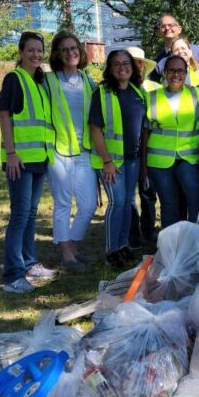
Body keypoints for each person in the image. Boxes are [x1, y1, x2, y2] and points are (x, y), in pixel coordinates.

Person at [0, 31, 57, 293]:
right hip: (19, 160)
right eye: (30, 50)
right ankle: (12, 276)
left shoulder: (38, 82)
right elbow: (4, 115)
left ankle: (29, 264)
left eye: (39, 50)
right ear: (20, 53)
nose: (36, 54)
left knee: (30, 213)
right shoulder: (15, 79)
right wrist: (11, 154)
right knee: (20, 215)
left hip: (38, 158)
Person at [87, 49, 148, 269]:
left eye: (126, 63)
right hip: (111, 161)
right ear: (110, 68)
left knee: (128, 202)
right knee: (117, 202)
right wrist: (107, 161)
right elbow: (95, 129)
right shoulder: (101, 93)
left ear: (132, 67)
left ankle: (123, 245)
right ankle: (111, 250)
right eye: (116, 64)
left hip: (132, 159)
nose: (122, 67)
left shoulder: (138, 92)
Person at [43, 31, 96, 271]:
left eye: (73, 48)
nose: (70, 53)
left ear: (80, 51)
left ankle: (73, 249)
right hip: (58, 151)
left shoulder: (87, 81)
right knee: (63, 203)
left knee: (88, 205)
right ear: (57, 54)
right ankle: (67, 256)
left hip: (84, 151)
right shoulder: (48, 81)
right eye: (64, 49)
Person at [142, 54, 199, 228]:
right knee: (169, 203)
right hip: (159, 160)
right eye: (172, 70)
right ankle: (171, 240)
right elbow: (144, 133)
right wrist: (143, 164)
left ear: (186, 73)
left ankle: (195, 236)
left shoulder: (197, 95)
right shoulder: (151, 97)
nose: (176, 74)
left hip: (189, 156)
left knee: (194, 198)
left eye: (180, 71)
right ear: (165, 73)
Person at [127, 44, 159, 250]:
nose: (136, 67)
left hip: (152, 146)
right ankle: (132, 232)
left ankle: (148, 228)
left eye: (139, 63)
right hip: (128, 147)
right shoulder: (119, 88)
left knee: (148, 191)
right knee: (129, 194)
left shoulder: (155, 88)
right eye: (131, 63)